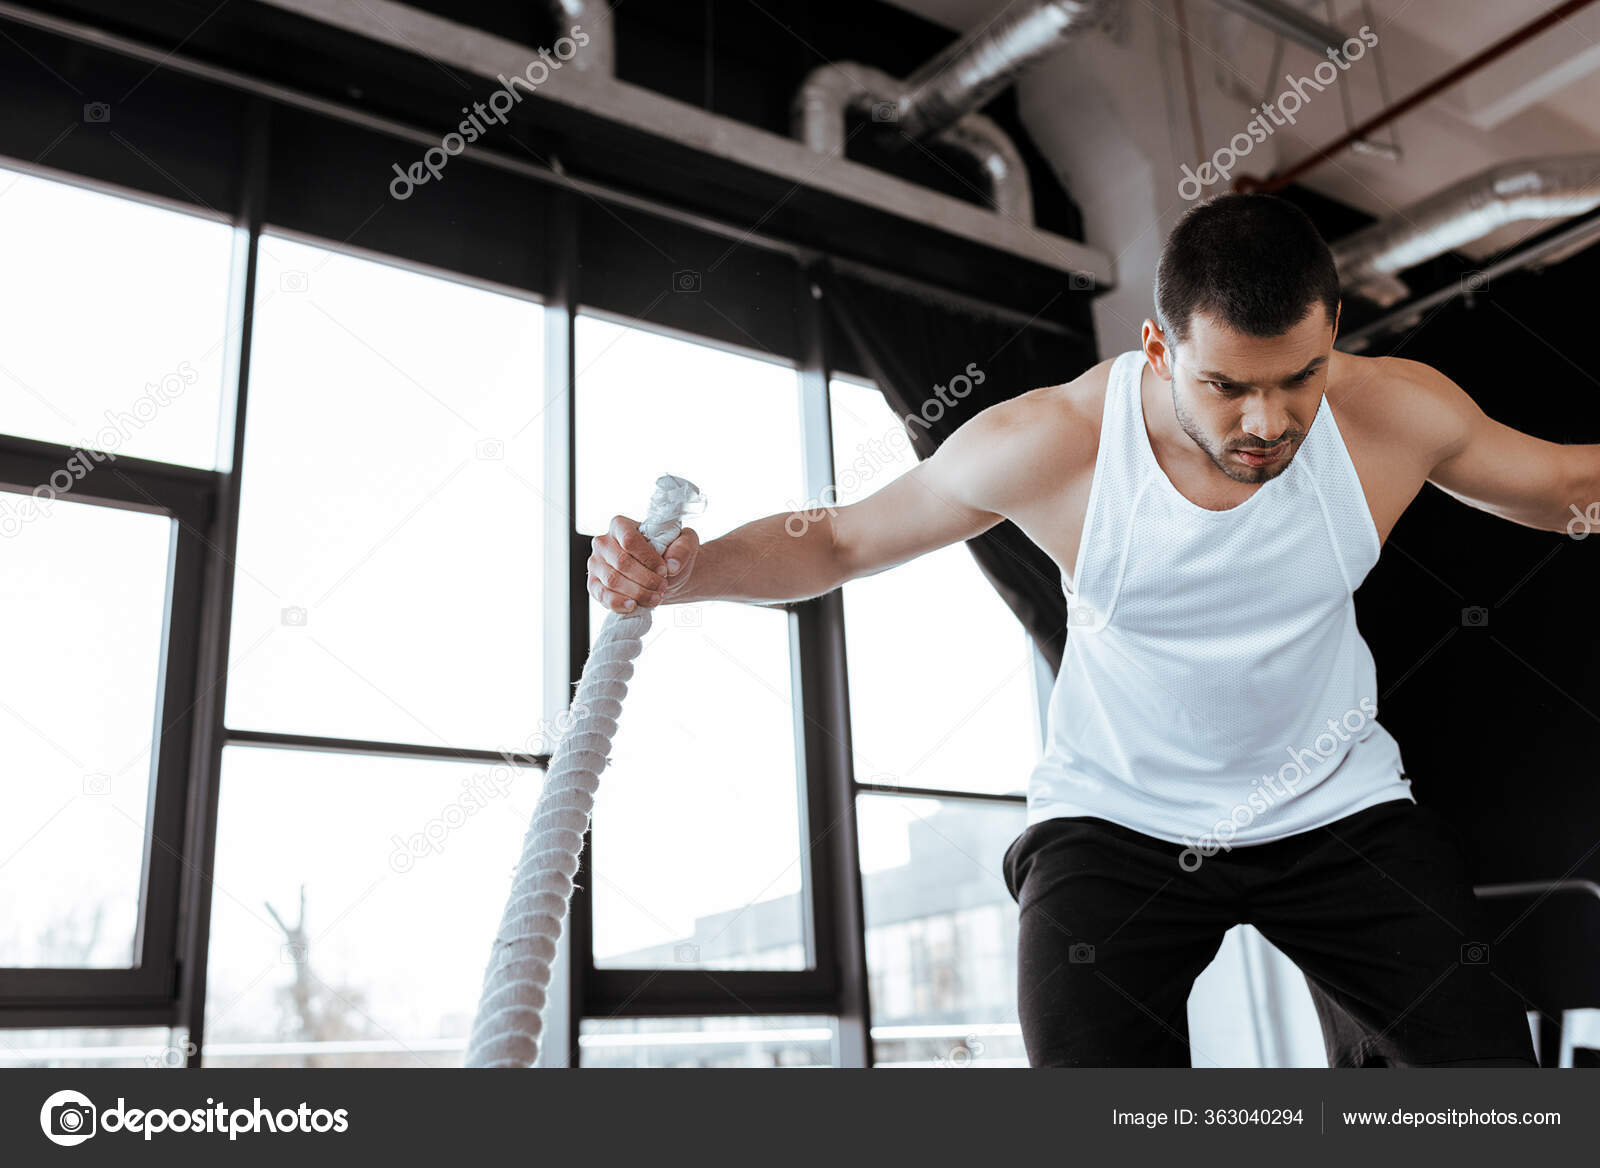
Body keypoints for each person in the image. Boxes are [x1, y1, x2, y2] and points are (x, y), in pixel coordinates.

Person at [586, 194, 1597, 1067]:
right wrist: (691, 571)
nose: (1265, 421)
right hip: (1118, 822)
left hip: (1338, 809)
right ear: (1159, 348)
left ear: (1331, 334)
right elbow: (845, 541)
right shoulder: (1056, 441)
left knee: (1483, 1090)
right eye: (1228, 385)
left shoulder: (1392, 414)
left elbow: (1561, 484)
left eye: (1297, 378)